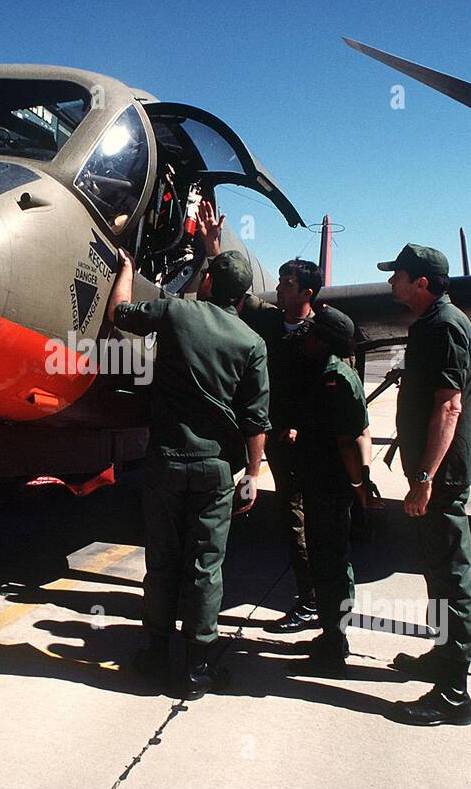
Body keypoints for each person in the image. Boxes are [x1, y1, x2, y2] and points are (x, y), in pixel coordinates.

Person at [106, 245, 270, 700]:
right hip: (216, 470)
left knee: (161, 561)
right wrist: (252, 475)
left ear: (211, 282)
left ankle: (155, 653)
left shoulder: (177, 313)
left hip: (166, 461)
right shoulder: (251, 342)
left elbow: (121, 312)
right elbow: (257, 421)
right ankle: (197, 669)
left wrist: (127, 269)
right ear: (242, 297)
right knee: (206, 567)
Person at [198, 201, 324, 633]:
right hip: (275, 441)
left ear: (307, 293)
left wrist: (299, 427)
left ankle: (310, 602)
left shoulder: (323, 335)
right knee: (290, 517)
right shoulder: (269, 321)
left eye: (288, 284)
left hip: (306, 445)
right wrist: (214, 250)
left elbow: (336, 393)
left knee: (304, 520)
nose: (280, 289)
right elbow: (234, 290)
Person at [379, 244, 471, 726]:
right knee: (436, 570)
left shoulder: (444, 327)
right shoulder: (433, 324)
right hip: (434, 473)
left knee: (449, 574)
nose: (390, 283)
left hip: (439, 476)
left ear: (422, 283)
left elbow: (449, 407)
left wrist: (424, 478)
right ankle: (443, 660)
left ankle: (454, 695)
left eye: (397, 276)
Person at [287, 307, 374, 672]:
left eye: (311, 333)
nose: (305, 337)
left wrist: (358, 484)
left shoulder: (334, 379)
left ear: (323, 340)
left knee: (330, 562)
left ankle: (335, 643)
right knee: (330, 559)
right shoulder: (338, 373)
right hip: (324, 483)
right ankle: (331, 634)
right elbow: (363, 431)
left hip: (329, 486)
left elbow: (347, 440)